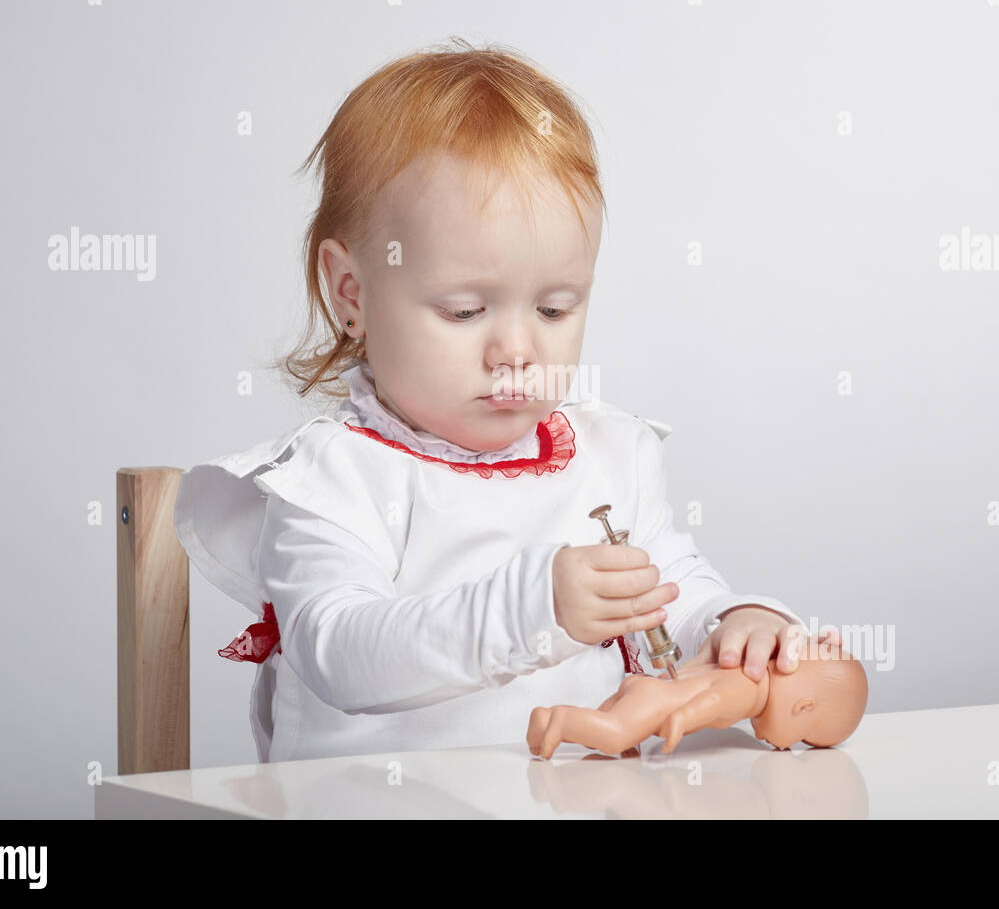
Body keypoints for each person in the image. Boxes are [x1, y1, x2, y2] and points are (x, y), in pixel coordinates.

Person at [174, 38, 838, 764]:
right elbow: (339, 652)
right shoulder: (332, 477)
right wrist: (533, 608)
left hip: (579, 801)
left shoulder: (608, 456)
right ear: (352, 294)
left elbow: (671, 593)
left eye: (555, 309)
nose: (516, 350)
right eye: (465, 311)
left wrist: (737, 622)